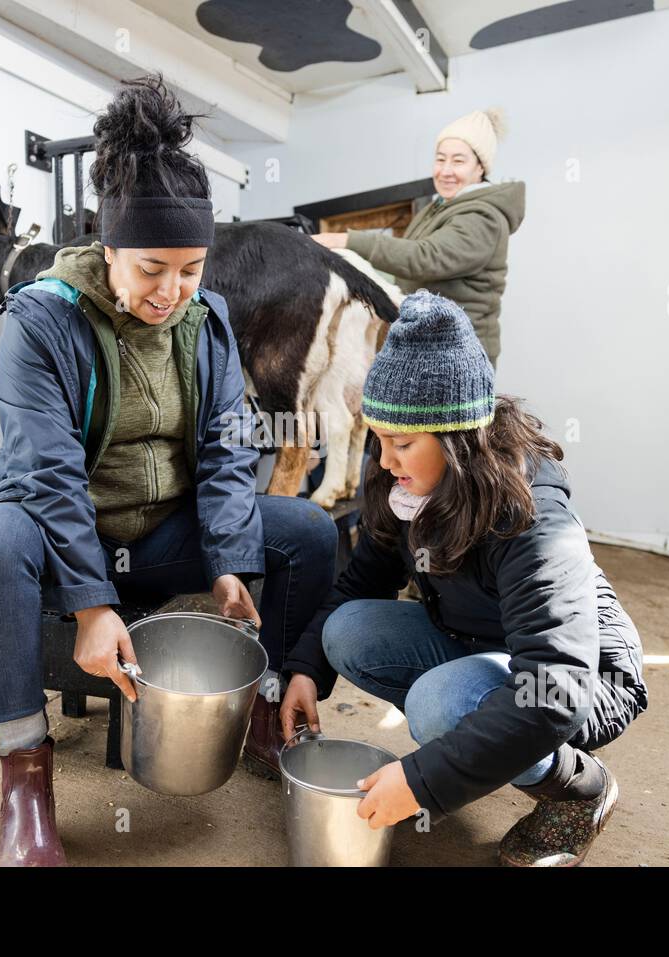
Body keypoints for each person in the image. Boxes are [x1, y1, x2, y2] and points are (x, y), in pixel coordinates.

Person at [0, 74, 339, 866]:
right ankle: (24, 774)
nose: (172, 293)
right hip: (48, 530)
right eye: (153, 268)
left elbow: (226, 449)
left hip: (157, 530)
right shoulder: (40, 319)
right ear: (108, 246)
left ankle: (259, 715)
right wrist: (89, 604)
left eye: (191, 270)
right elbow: (48, 472)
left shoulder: (206, 319)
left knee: (308, 535)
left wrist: (229, 564)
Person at [278, 290, 649, 866]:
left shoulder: (534, 518)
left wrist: (424, 781)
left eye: (401, 444)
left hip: (583, 675)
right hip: (482, 642)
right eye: (377, 438)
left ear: (458, 443)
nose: (383, 461)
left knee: (440, 704)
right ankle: (483, 737)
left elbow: (556, 689)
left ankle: (578, 790)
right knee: (347, 631)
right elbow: (361, 581)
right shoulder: (404, 484)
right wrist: (304, 669)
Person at [313, 107, 524, 368]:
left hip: (457, 355)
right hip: (428, 345)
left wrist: (346, 240)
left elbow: (427, 257)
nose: (445, 170)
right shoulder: (438, 208)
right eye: (440, 159)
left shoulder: (483, 216)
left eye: (458, 161)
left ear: (480, 167)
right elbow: (407, 273)